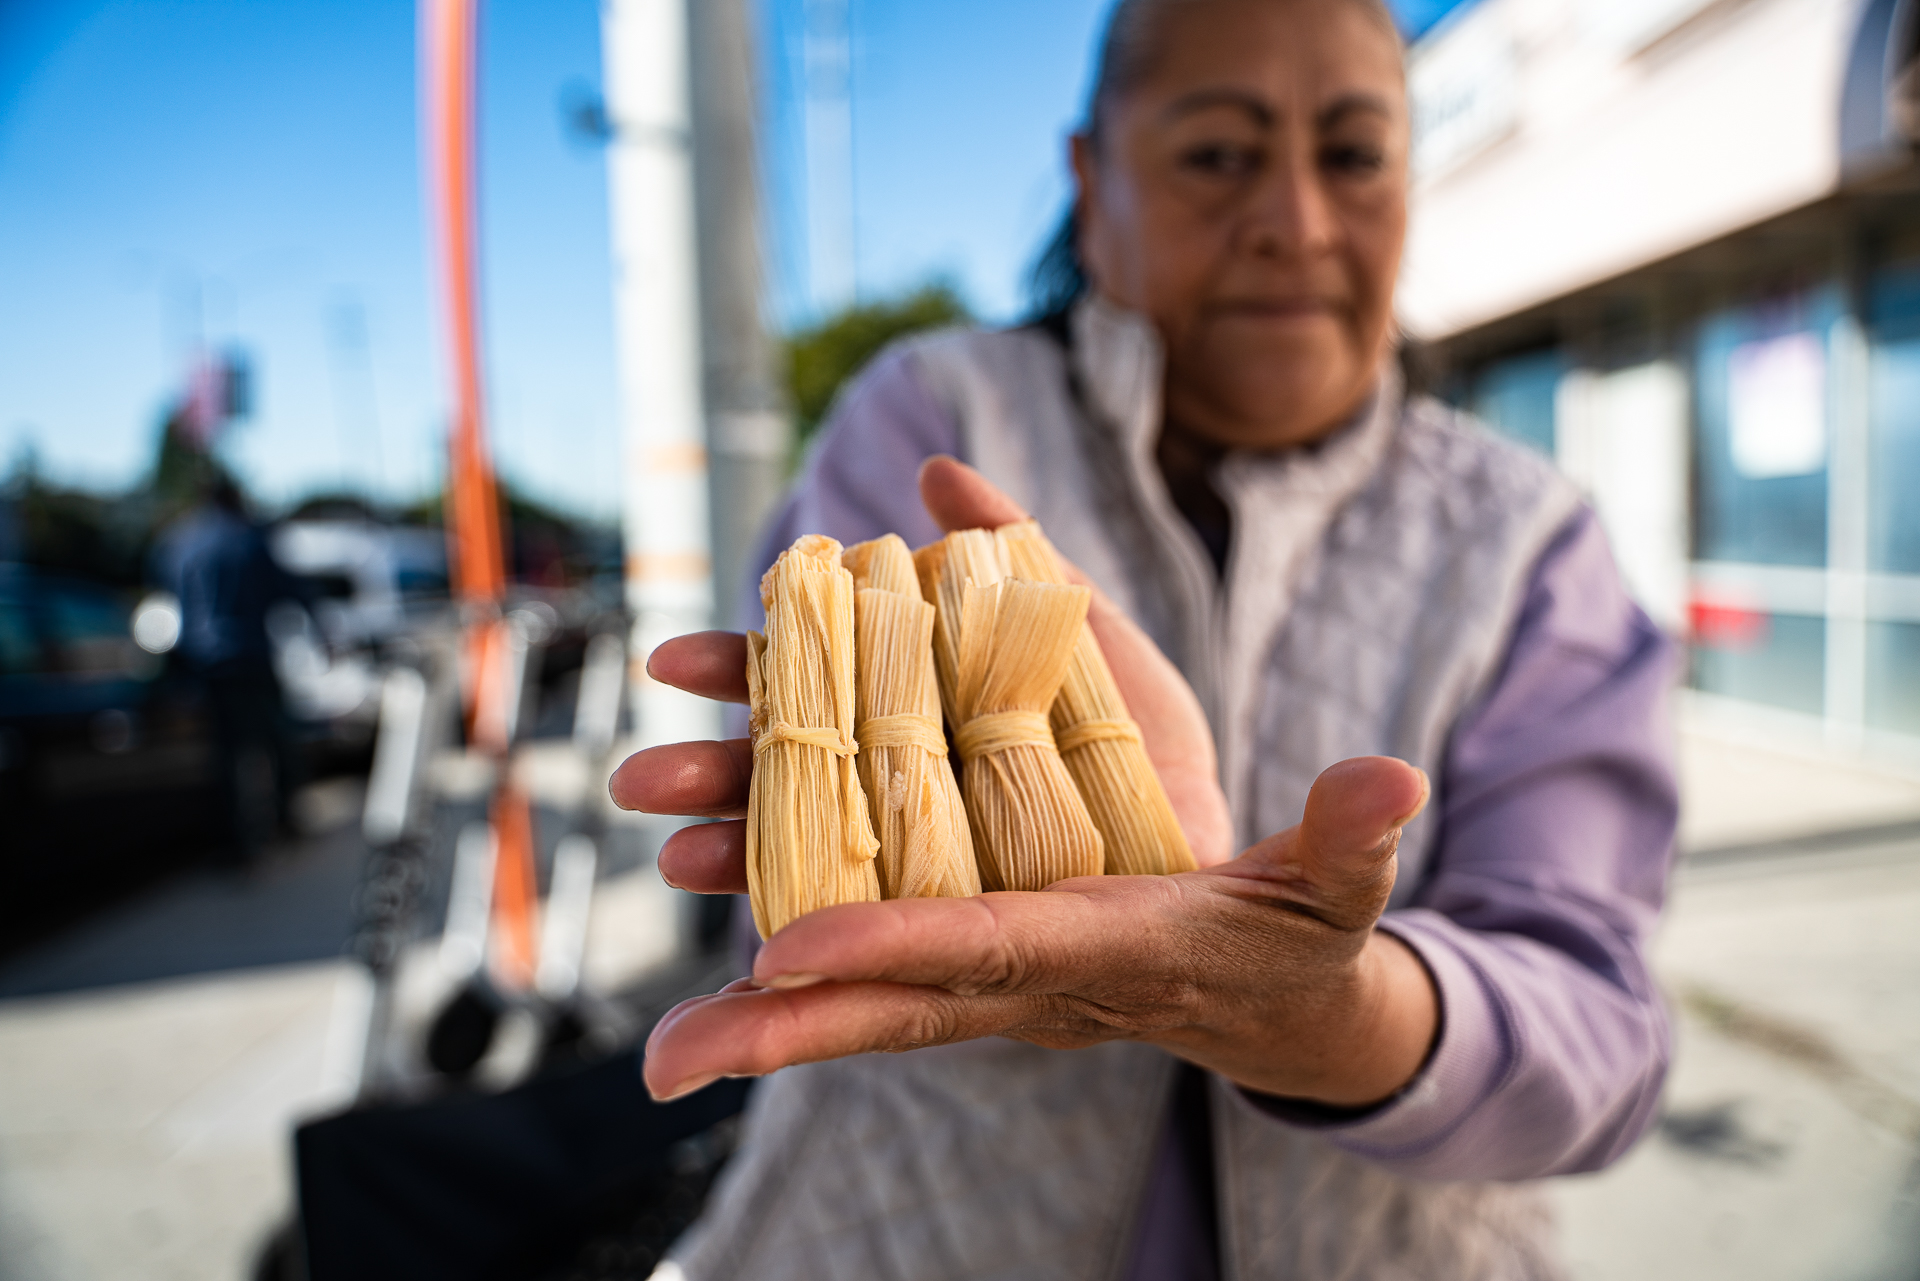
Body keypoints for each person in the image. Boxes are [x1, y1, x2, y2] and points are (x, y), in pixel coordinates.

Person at [611, 0, 1678, 1275]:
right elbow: (809, 918)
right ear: (1089, 172)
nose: (1294, 220)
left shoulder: (1525, 538)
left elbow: (1598, 1037)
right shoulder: (942, 416)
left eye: (1353, 153)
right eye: (1219, 154)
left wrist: (1324, 1009)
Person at [152, 472, 304, 867]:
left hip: (205, 663)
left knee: (227, 756)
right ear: (234, 497)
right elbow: (286, 591)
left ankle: (237, 841)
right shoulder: (249, 536)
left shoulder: (179, 542)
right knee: (275, 741)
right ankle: (284, 821)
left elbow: (169, 602)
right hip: (252, 655)